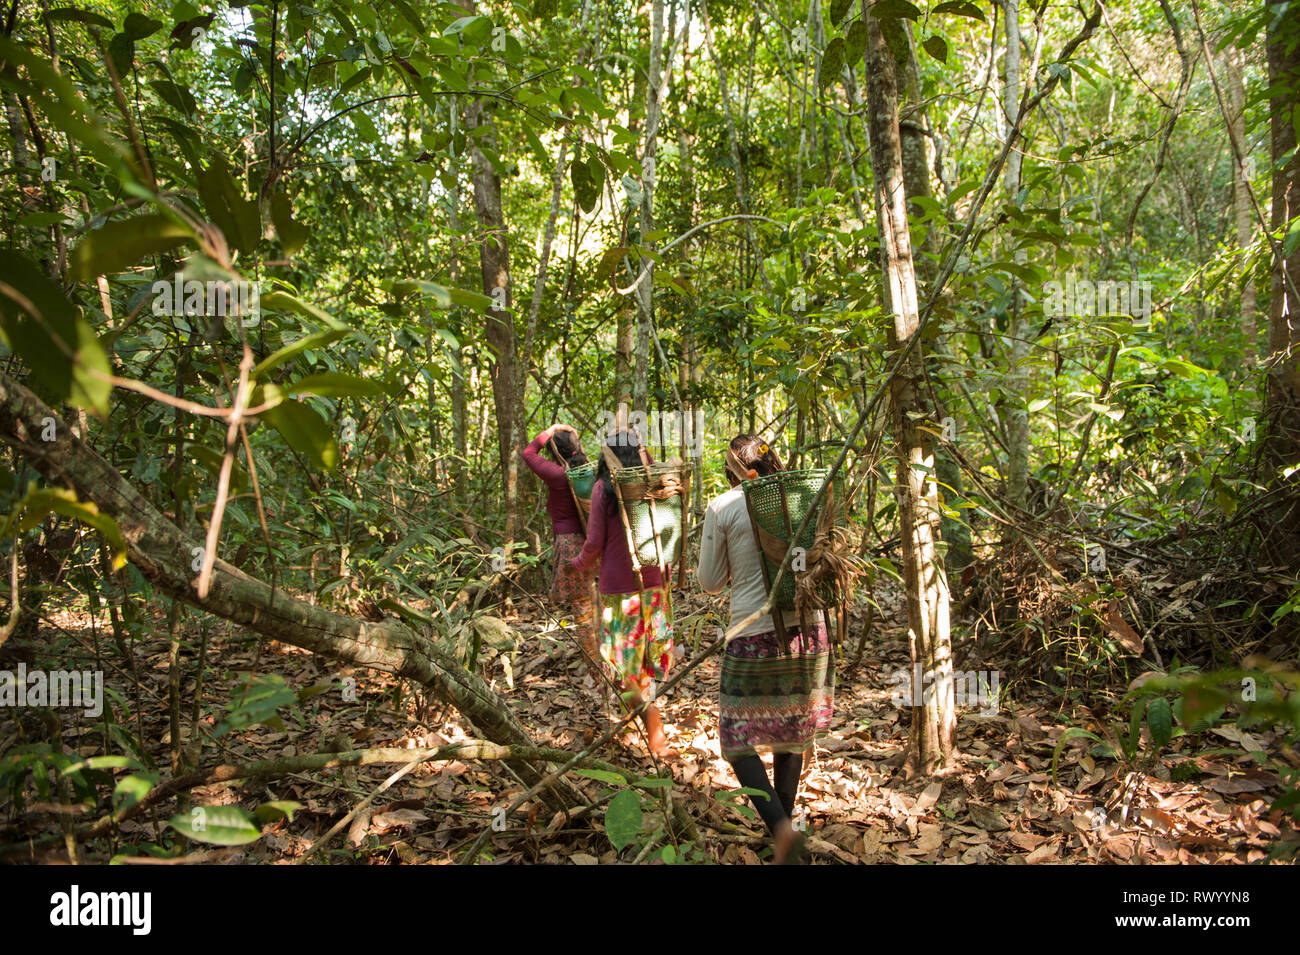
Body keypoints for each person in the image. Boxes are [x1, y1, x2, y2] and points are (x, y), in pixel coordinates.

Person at [696, 434, 833, 864]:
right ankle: (785, 831)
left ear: (731, 470)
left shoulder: (723, 506)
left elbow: (709, 580)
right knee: (791, 729)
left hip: (753, 631)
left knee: (738, 739)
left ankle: (782, 832)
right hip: (810, 632)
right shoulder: (804, 498)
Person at [571, 430, 675, 756]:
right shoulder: (652, 484)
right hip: (656, 585)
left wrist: (576, 564)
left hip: (620, 590)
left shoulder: (604, 489)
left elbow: (593, 543)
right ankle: (637, 724)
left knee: (621, 664)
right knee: (647, 660)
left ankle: (654, 729)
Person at [521, 424, 597, 672]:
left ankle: (596, 666)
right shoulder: (588, 471)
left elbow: (528, 454)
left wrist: (550, 430)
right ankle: (599, 654)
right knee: (591, 598)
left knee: (582, 605)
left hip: (570, 544)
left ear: (556, 451)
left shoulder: (559, 475)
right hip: (591, 540)